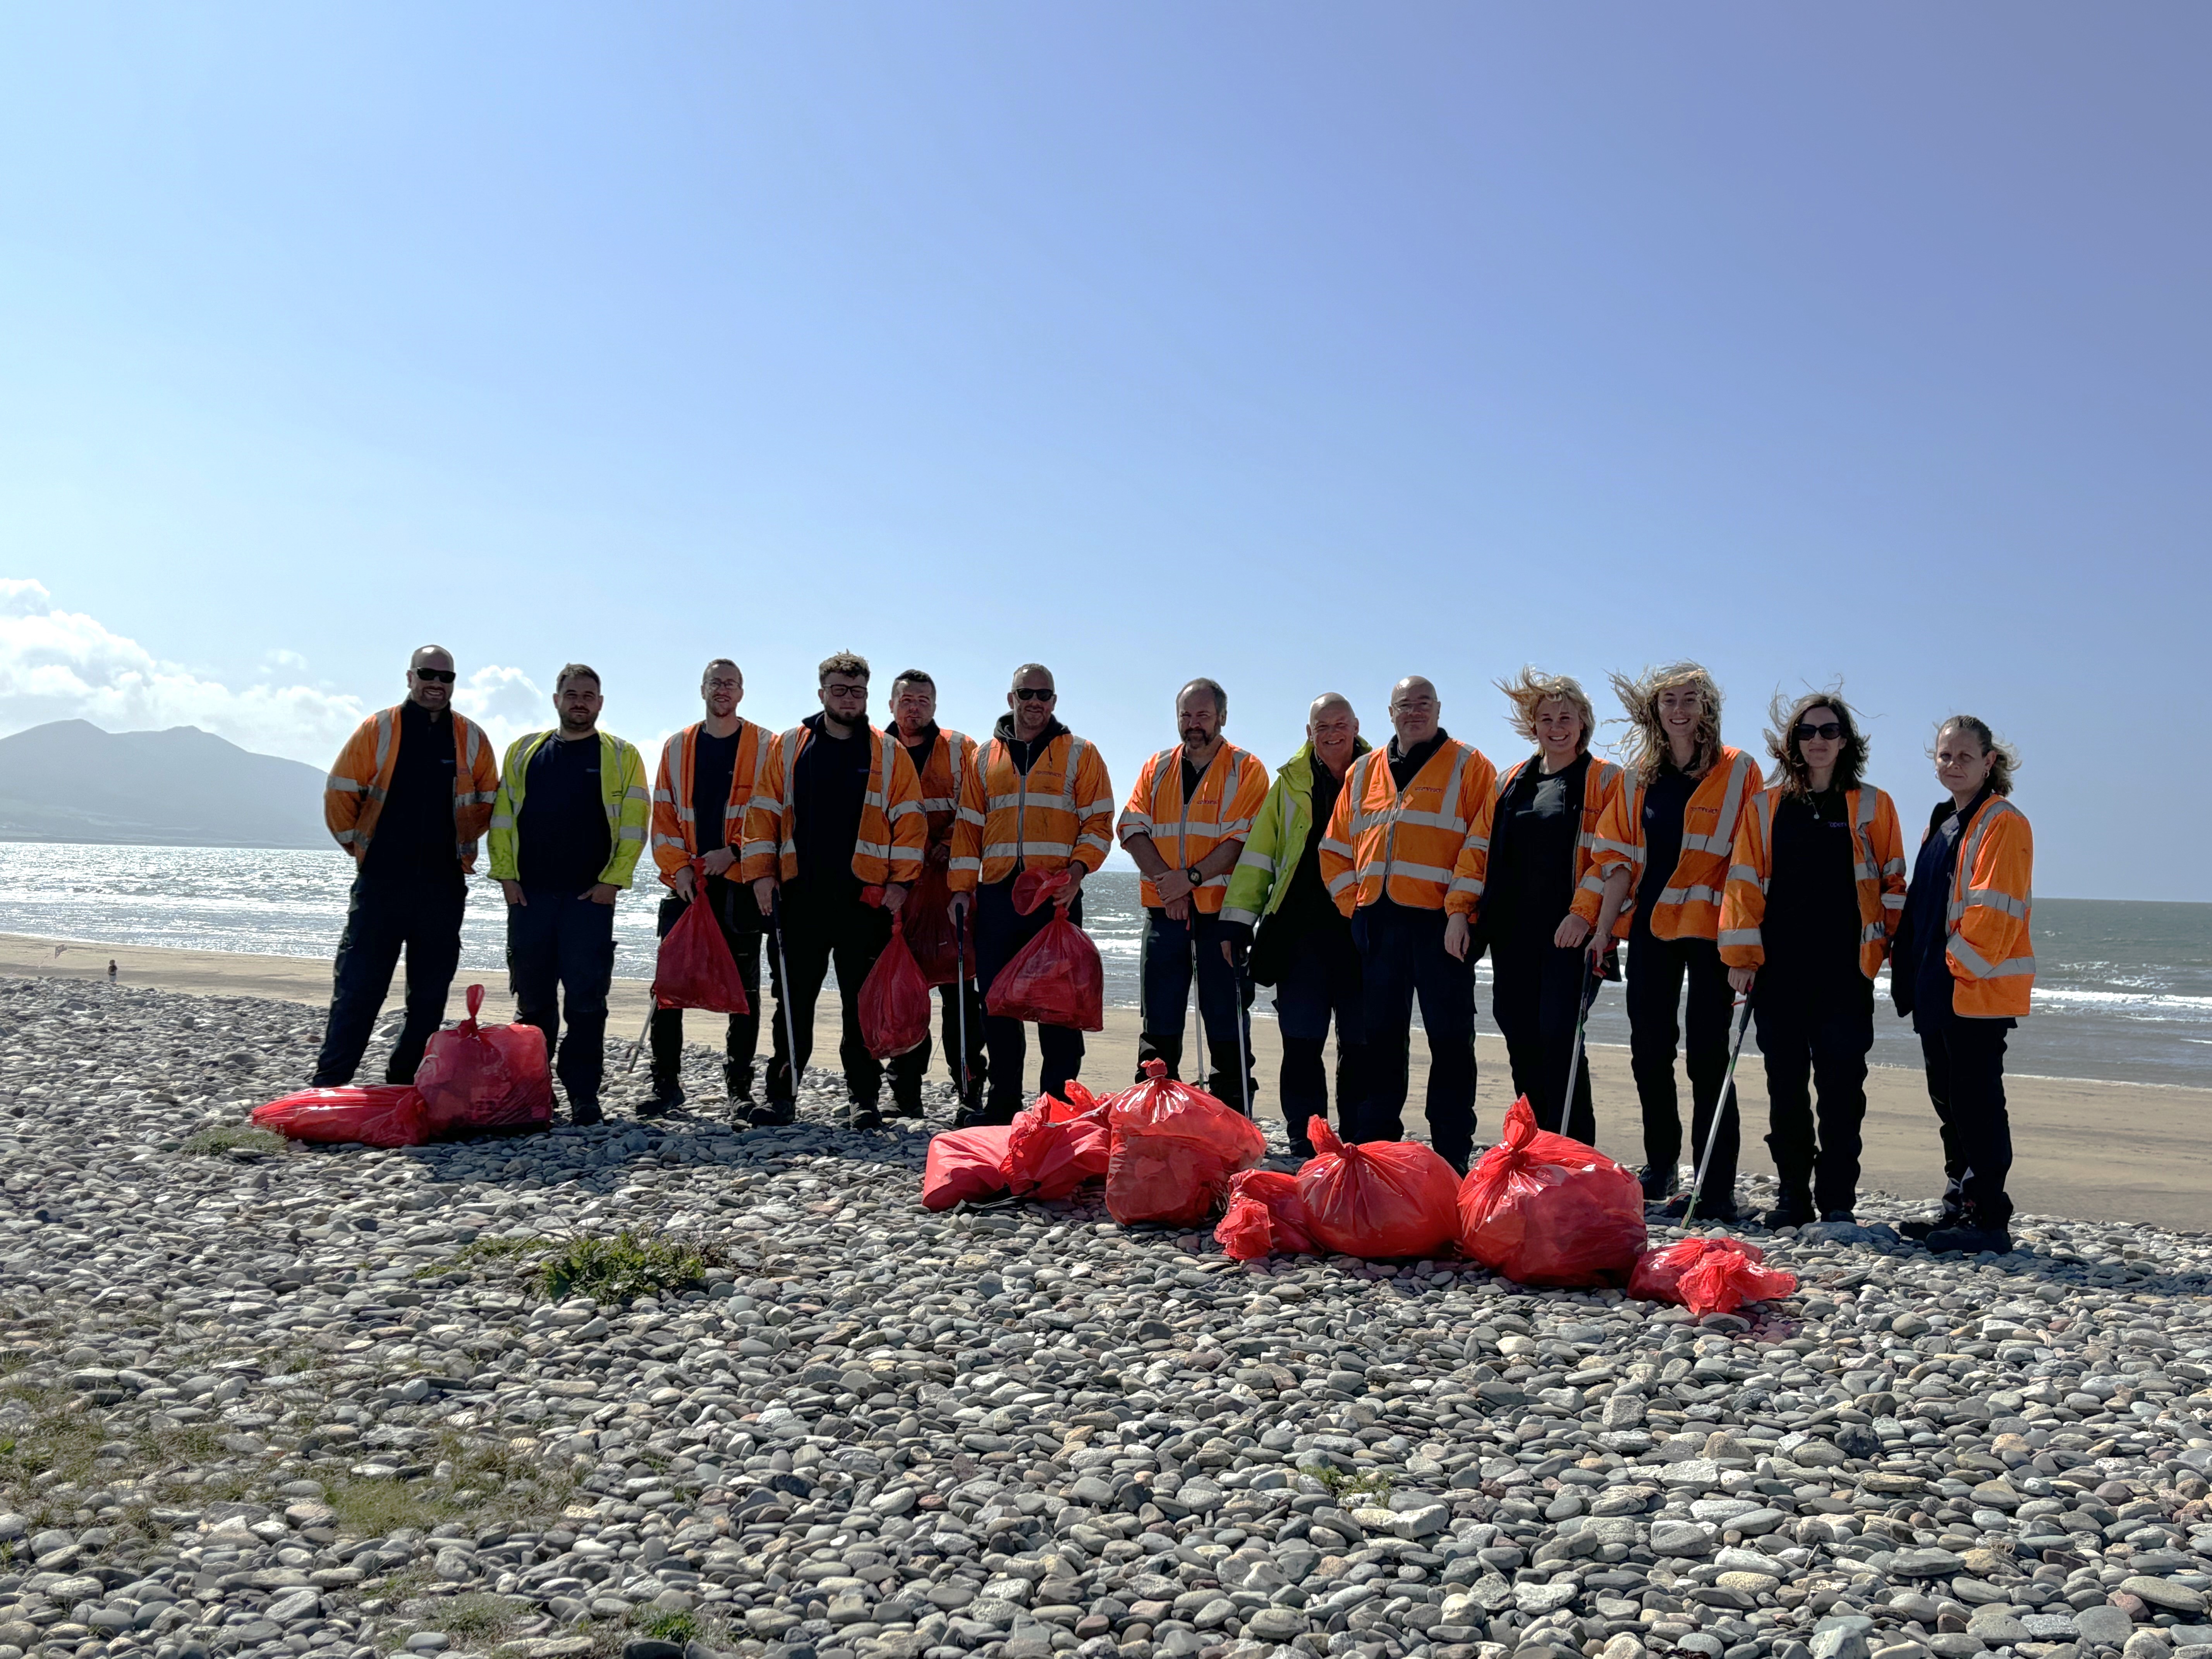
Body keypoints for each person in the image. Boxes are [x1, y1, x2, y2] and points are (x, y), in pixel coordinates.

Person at [1718, 692, 1905, 1227]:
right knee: (1786, 1088)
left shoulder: (1874, 804)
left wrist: (1889, 948)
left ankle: (1838, 1200)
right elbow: (1743, 883)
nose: (1817, 741)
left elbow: (1894, 881)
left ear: (1845, 740)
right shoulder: (1767, 806)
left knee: (1843, 1088)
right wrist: (1741, 955)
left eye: (1828, 731)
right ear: (1792, 743)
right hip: (1779, 973)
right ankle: (1792, 1196)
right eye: (1806, 732)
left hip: (1847, 973)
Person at [1590, 662, 1764, 1220]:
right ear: (1655, 711)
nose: (1680, 709)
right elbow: (1616, 857)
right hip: (1649, 931)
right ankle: (1660, 1166)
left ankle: (1715, 1187)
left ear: (1707, 707)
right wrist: (1602, 931)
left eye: (1691, 699)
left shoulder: (1740, 770)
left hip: (1713, 933)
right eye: (1669, 701)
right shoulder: (1638, 774)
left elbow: (1753, 859)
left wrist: (1745, 948)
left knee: (1709, 1058)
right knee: (1649, 1052)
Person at [740, 652, 925, 1130]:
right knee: (792, 1001)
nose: (849, 699)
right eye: (840, 690)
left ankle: (863, 1099)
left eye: (857, 691)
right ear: (822, 693)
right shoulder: (788, 747)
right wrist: (761, 874)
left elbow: (910, 821)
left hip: (865, 903)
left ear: (867, 695)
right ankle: (782, 1097)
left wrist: (901, 885)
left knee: (860, 1004)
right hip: (799, 899)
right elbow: (760, 814)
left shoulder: (889, 752)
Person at [1318, 675, 1495, 1173]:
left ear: (1438, 709)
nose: (1413, 712)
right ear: (1389, 712)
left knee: (1451, 1040)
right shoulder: (1364, 772)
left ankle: (1452, 1154)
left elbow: (1480, 847)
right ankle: (1378, 1150)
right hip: (1378, 922)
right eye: (1404, 705)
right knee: (1380, 1039)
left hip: (1443, 924)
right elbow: (1333, 849)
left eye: (1422, 704)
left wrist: (1461, 911)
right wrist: (1355, 907)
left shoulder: (1470, 766)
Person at [1449, 670, 1628, 1146]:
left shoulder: (1607, 780)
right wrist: (1459, 913)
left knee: (1560, 1042)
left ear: (1584, 722)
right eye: (1546, 718)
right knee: (1519, 1038)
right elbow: (1477, 850)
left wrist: (1584, 915)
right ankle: (1535, 1146)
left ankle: (1573, 1152)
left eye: (1566, 717)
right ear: (1533, 726)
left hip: (1571, 935)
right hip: (1512, 935)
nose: (1556, 726)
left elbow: (1614, 853)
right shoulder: (1510, 781)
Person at [315, 644, 501, 1088]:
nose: (436, 683)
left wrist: (460, 851)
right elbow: (340, 796)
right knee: (359, 988)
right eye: (427, 674)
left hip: (443, 884)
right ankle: (330, 1083)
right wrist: (365, 852)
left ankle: (403, 1084)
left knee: (430, 996)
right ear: (410, 677)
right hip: (382, 882)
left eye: (446, 677)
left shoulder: (471, 738)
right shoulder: (377, 730)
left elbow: (488, 801)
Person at [1888, 715, 2033, 1254]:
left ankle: (1988, 1218)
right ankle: (1957, 1205)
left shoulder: (2002, 822)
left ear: (1989, 762)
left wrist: (1951, 970)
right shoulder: (1943, 821)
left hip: (1973, 993)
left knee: (1977, 1103)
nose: (1953, 766)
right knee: (1949, 1102)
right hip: (1937, 992)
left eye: (1965, 757)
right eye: (1945, 756)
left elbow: (1992, 916)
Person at [947, 663, 1115, 1125]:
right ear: (1011, 698)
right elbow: (968, 830)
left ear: (1055, 702)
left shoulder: (1081, 754)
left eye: (1044, 694)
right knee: (998, 1003)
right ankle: (1003, 1104)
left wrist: (1077, 873)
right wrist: (961, 890)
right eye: (1027, 693)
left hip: (1055, 898)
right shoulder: (983, 758)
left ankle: (1055, 1108)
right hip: (998, 895)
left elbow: (1100, 822)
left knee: (1058, 1006)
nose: (1035, 702)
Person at [487, 663, 649, 1127]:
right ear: (556, 699)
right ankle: (536, 1093)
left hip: (588, 902)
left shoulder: (621, 755)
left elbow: (636, 824)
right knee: (533, 1003)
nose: (580, 701)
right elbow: (503, 817)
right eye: (572, 693)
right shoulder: (524, 751)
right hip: (530, 898)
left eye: (589, 695)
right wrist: (506, 878)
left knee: (586, 1002)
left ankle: (583, 1095)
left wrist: (612, 883)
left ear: (600, 703)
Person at [1221, 693, 1370, 1156]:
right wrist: (1237, 922)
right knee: (1302, 1042)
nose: (1331, 733)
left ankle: (1360, 1137)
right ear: (1309, 733)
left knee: (1362, 1045)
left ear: (1356, 726)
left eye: (1340, 724)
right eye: (1321, 726)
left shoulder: (1381, 776)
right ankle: (1306, 1137)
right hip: (1300, 937)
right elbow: (1259, 857)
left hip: (1361, 935)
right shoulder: (1288, 784)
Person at [1118, 679, 1271, 1110]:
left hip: (1221, 916)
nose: (1193, 724)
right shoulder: (1157, 767)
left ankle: (1234, 1119)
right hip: (1165, 911)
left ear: (1222, 717)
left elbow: (1244, 838)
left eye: (1203, 715)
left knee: (1225, 1019)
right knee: (1160, 1022)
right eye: (1186, 715)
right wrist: (1170, 883)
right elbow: (1132, 828)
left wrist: (1192, 878)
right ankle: (1155, 1117)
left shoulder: (1247, 769)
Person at [643, 658, 767, 1117]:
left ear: (742, 692)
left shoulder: (766, 745)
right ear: (702, 689)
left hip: (739, 885)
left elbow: (775, 814)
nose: (723, 690)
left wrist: (734, 853)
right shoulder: (677, 747)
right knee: (670, 989)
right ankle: (665, 1085)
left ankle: (740, 1089)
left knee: (745, 994)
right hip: (688, 887)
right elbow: (665, 817)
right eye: (716, 682)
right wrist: (680, 871)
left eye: (731, 683)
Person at [883, 668, 988, 1117]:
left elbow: (976, 809)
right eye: (907, 700)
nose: (915, 707)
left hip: (950, 889)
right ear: (891, 705)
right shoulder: (876, 749)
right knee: (904, 994)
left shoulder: (961, 749)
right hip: (899, 892)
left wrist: (947, 848)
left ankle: (969, 1094)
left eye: (923, 700)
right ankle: (905, 1095)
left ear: (935, 705)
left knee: (961, 998)